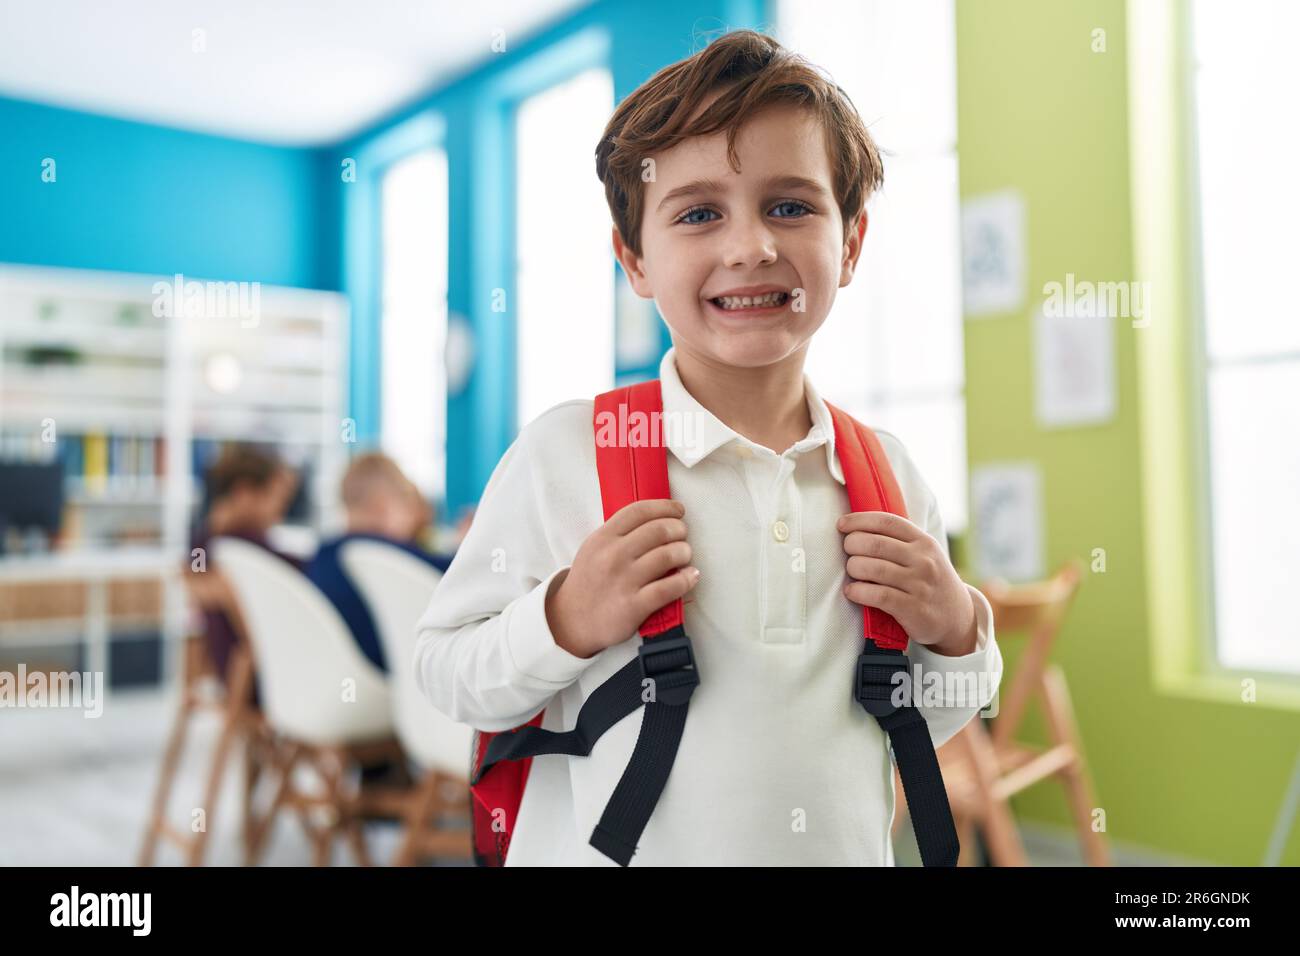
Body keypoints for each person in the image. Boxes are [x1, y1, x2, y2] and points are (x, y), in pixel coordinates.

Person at [413, 30, 1003, 865]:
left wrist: (954, 625)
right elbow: (445, 672)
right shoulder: (568, 453)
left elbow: (927, 716)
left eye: (791, 205)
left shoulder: (890, 474)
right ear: (635, 259)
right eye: (698, 214)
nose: (750, 247)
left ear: (852, 241)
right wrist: (567, 619)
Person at [306, 453, 453, 673]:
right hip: (386, 673)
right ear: (383, 506)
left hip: (330, 672)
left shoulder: (323, 554)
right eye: (407, 506)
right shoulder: (385, 551)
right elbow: (456, 572)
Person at [189, 443, 300, 693]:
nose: (280, 513)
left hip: (227, 669)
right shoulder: (243, 545)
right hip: (261, 674)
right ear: (244, 493)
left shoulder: (204, 539)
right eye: (277, 499)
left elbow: (196, 564)